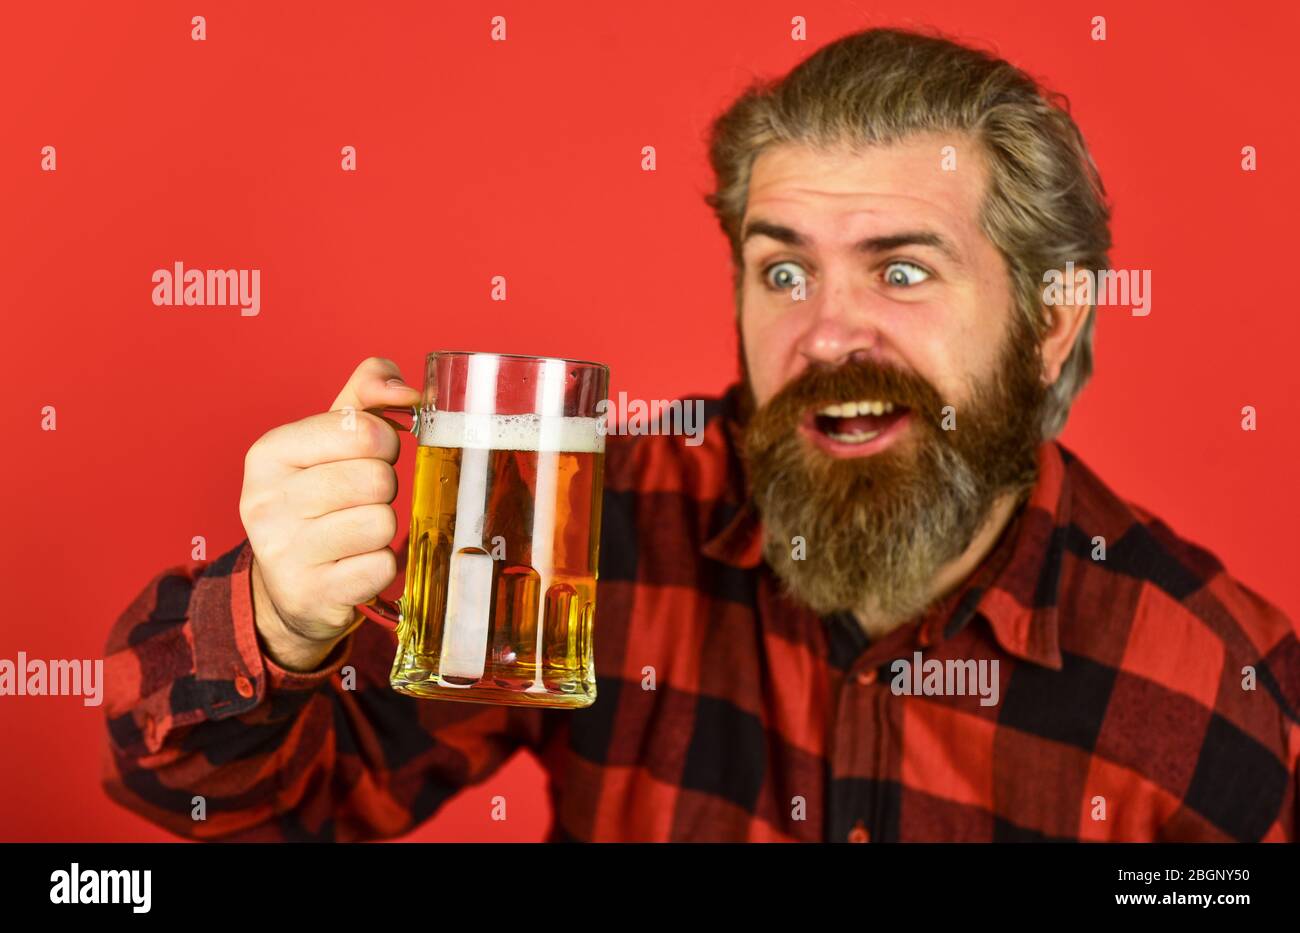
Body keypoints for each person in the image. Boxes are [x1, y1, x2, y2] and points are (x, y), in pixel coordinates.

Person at [101, 27, 1298, 842]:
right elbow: (231, 804)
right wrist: (277, 627)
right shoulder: (601, 525)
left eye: (900, 269)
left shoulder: (1212, 693)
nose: (828, 335)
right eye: (783, 269)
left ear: (1049, 319)